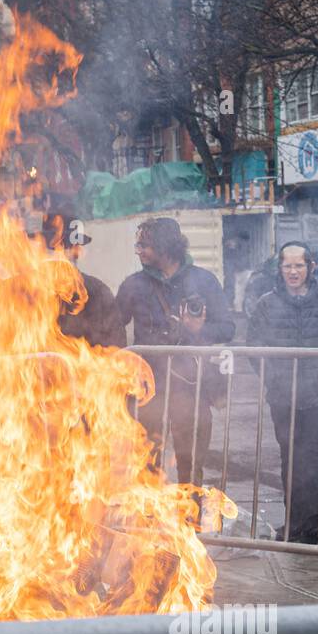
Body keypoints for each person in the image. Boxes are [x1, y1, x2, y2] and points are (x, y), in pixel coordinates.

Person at [115, 217, 234, 485]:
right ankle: (147, 522)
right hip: (146, 389)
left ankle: (189, 522)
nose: (138, 250)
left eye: (144, 245)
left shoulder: (203, 280)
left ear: (165, 247)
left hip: (191, 388)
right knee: (146, 462)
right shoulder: (134, 284)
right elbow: (112, 326)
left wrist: (198, 330)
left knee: (191, 465)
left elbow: (227, 328)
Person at [246, 242, 318, 546]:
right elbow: (254, 346)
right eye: (287, 266)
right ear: (280, 269)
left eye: (299, 265)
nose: (293, 271)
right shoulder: (267, 303)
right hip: (282, 397)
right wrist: (272, 379)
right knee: (290, 459)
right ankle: (293, 525)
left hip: (317, 396)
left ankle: (317, 526)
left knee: (316, 461)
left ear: (310, 267)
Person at [41, 203, 127, 348]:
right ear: (78, 250)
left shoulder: (18, 289)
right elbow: (117, 344)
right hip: (87, 368)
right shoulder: (98, 289)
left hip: (34, 370)